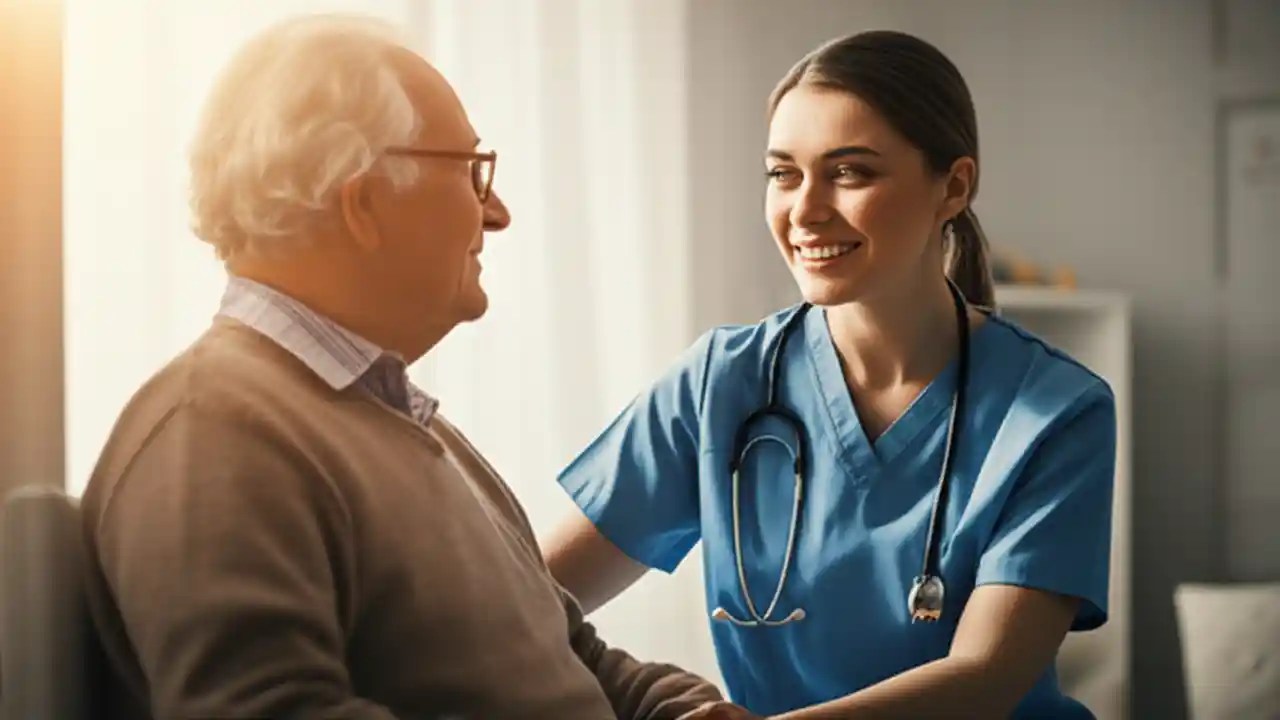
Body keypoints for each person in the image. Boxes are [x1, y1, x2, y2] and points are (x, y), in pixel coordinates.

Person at [80, 14, 730, 719]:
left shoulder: (407, 423)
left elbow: (578, 659)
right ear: (363, 202)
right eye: (472, 173)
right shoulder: (209, 435)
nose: (498, 213)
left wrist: (682, 711)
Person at [547, 30, 1117, 720]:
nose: (805, 210)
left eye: (850, 172)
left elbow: (984, 678)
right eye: (783, 173)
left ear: (954, 186)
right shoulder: (717, 386)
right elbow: (526, 596)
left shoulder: (1057, 411)